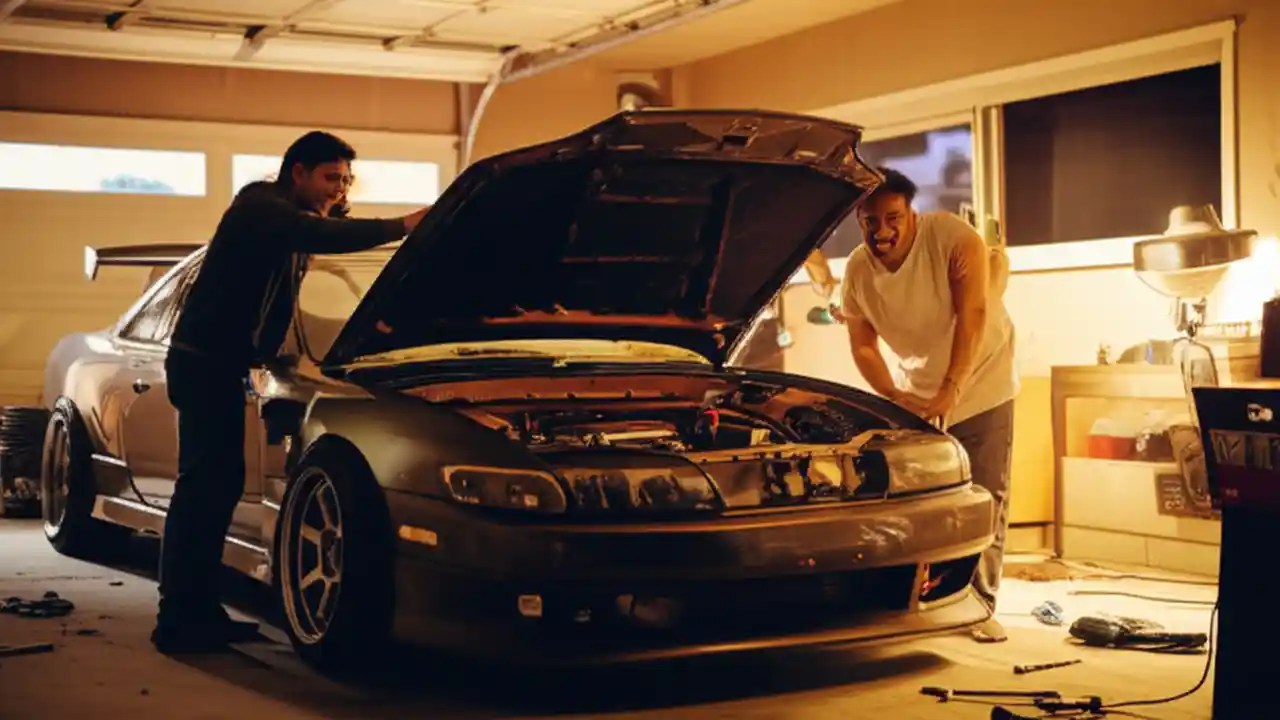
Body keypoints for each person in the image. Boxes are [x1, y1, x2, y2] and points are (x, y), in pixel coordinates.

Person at [151, 131, 430, 654]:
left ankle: (197, 611)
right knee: (203, 492)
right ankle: (176, 621)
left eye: (346, 180)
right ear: (297, 172)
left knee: (216, 489)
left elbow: (336, 236)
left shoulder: (300, 219)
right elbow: (322, 236)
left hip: (225, 367)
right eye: (330, 178)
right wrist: (407, 224)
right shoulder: (261, 208)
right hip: (204, 365)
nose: (338, 190)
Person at [838, 167, 1017, 643]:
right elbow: (862, 346)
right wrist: (896, 398)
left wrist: (953, 388)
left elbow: (973, 314)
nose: (882, 231)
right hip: (916, 389)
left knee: (984, 495)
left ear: (910, 211)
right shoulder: (857, 269)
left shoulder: (952, 238)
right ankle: (925, 601)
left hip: (982, 376)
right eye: (869, 221)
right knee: (926, 503)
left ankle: (980, 606)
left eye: (892, 217)